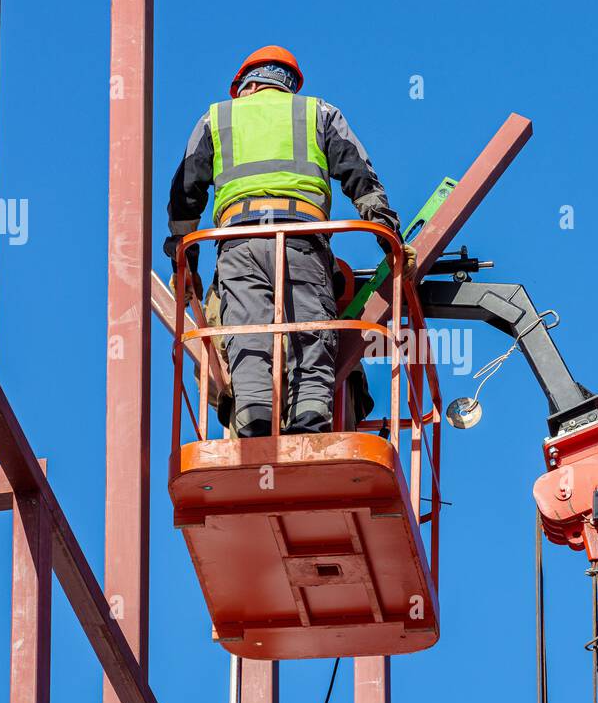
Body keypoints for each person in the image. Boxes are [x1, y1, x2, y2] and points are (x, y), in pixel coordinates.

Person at [164, 45, 413, 437]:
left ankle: (255, 432)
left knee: (249, 336)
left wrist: (185, 263)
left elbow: (184, 194)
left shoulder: (217, 118)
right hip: (301, 238)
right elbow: (360, 175)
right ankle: (310, 429)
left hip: (237, 243)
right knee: (310, 334)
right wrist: (389, 237)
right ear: (290, 85)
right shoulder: (318, 112)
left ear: (245, 86)